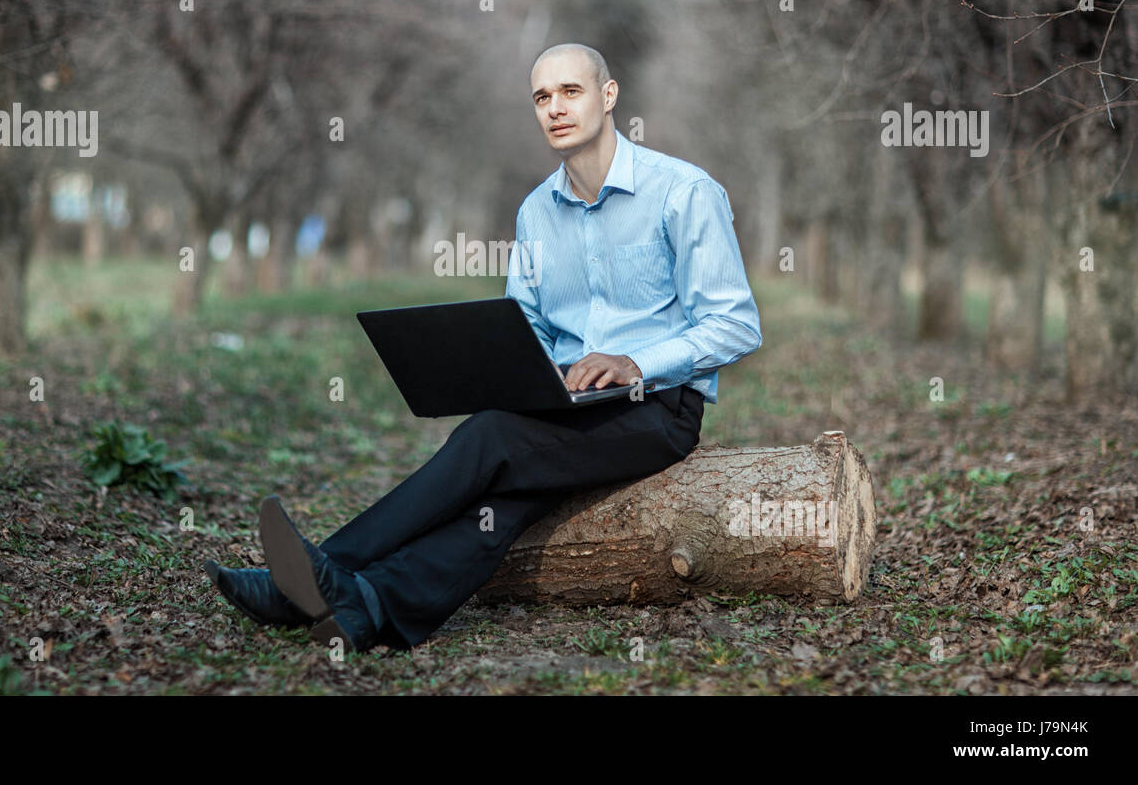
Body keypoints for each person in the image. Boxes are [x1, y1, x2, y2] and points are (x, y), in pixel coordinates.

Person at [203, 42, 763, 653]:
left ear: (608, 96)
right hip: (566, 401)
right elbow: (527, 323)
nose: (555, 108)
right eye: (542, 97)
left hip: (657, 407)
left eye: (571, 92)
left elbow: (735, 325)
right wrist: (521, 364)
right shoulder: (535, 213)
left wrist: (634, 361)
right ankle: (370, 605)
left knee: (492, 436)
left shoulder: (683, 191)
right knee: (508, 496)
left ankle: (316, 575)